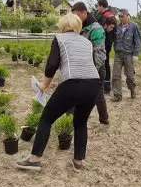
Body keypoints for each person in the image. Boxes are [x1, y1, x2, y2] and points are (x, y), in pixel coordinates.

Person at [16, 13, 102, 171]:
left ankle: (34, 160)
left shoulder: (59, 38)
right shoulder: (87, 42)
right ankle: (78, 162)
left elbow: (52, 64)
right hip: (93, 84)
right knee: (81, 122)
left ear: (63, 26)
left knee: (47, 118)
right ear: (78, 26)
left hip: (72, 83)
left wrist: (44, 85)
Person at [71, 2, 109, 125]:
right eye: (73, 15)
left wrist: (88, 72)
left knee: (98, 95)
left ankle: (104, 119)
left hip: (96, 69)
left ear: (84, 13)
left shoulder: (96, 29)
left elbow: (100, 55)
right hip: (81, 67)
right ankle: (70, 120)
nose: (75, 18)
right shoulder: (78, 26)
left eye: (77, 15)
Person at [111, 9, 141, 102]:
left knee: (129, 75)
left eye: (122, 16)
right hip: (118, 54)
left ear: (127, 15)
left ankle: (132, 89)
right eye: (119, 16)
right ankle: (117, 95)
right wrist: (115, 48)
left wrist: (136, 54)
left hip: (129, 54)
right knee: (116, 75)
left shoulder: (134, 26)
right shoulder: (117, 27)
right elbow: (115, 40)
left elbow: (138, 41)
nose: (121, 18)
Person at [95, 0, 115, 94]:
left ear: (102, 6)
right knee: (103, 64)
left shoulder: (109, 16)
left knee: (105, 64)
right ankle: (102, 85)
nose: (97, 8)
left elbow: (110, 33)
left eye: (98, 6)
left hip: (105, 44)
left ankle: (106, 87)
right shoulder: (103, 15)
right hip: (103, 43)